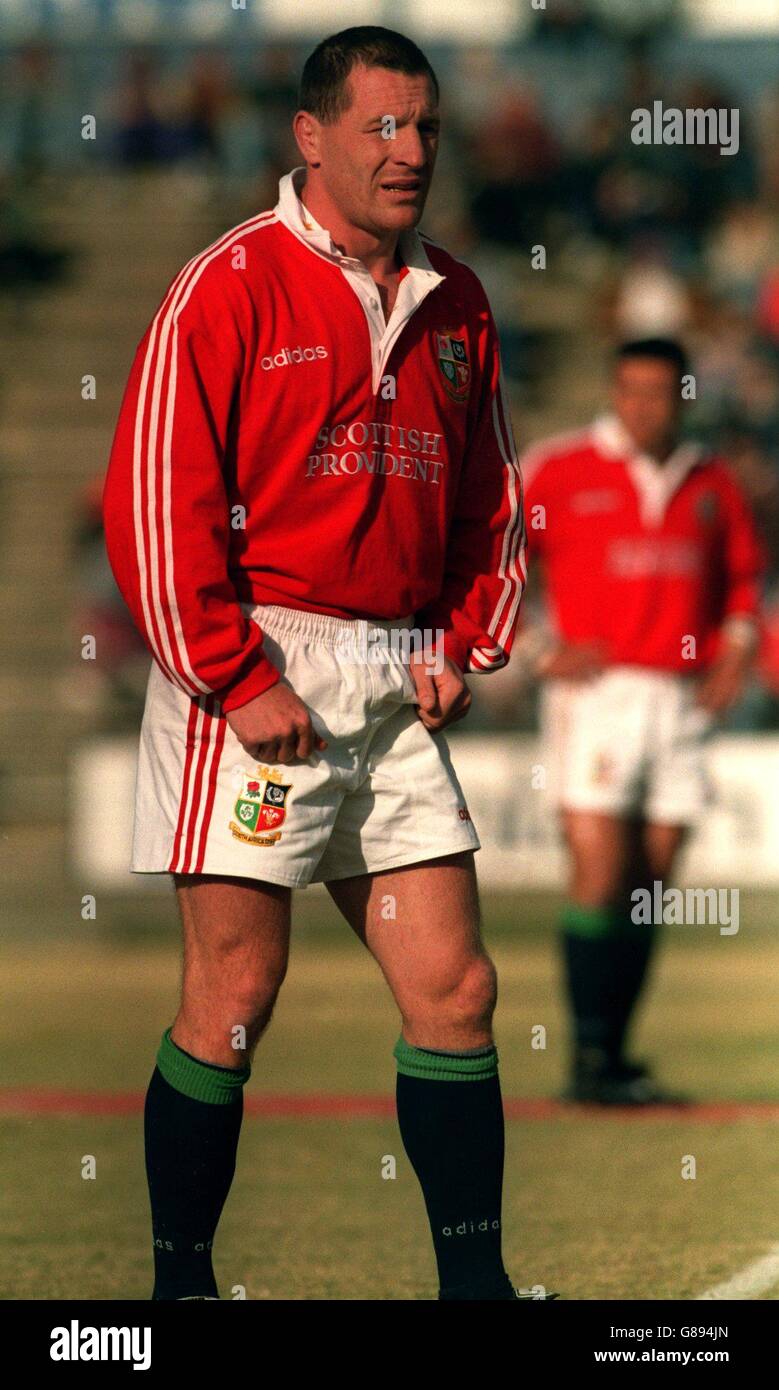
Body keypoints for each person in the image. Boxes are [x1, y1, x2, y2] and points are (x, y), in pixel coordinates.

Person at [103, 26, 553, 1302]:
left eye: (422, 128)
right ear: (311, 137)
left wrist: (464, 641)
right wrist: (232, 673)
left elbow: (489, 493)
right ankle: (178, 1289)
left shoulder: (457, 298)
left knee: (457, 988)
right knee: (236, 993)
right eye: (380, 127)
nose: (408, 152)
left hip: (398, 678)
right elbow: (153, 497)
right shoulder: (228, 282)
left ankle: (477, 1293)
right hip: (255, 664)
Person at [521, 338, 763, 1105]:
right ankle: (587, 1058)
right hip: (597, 694)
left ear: (683, 396)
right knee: (598, 870)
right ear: (613, 390)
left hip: (681, 698)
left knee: (650, 884)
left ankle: (617, 1058)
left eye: (659, 391)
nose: (643, 405)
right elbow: (491, 558)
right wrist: (533, 649)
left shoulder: (710, 480)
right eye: (629, 389)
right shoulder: (559, 467)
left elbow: (744, 580)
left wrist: (735, 649)